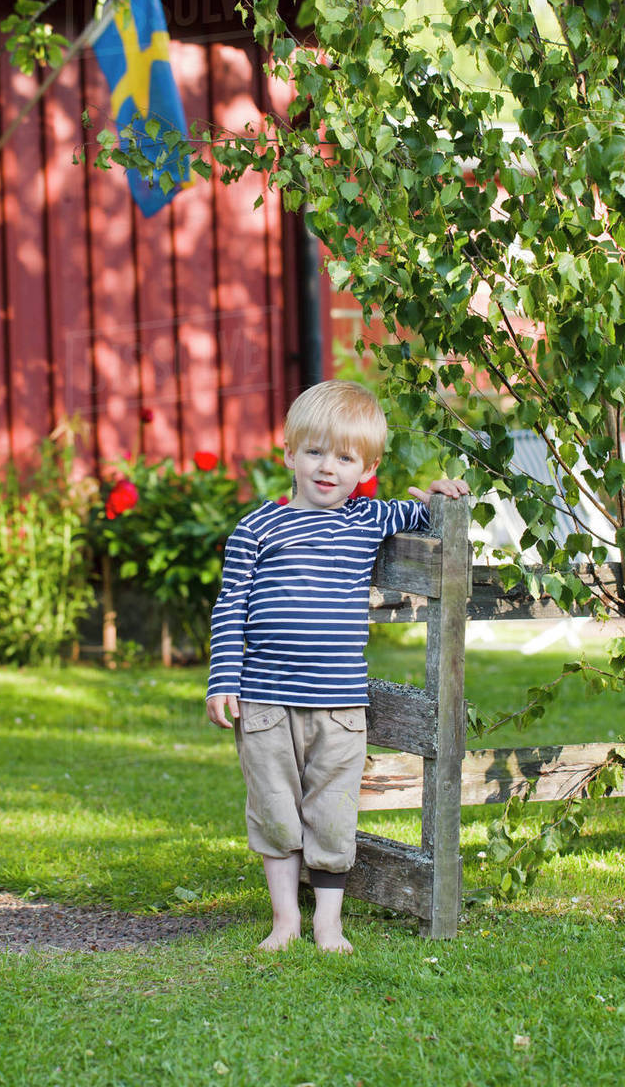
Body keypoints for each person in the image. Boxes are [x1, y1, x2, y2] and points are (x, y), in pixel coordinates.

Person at [206, 380, 469, 952]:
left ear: (366, 466)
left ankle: (328, 921)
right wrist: (223, 681)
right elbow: (230, 607)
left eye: (345, 457)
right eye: (315, 452)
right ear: (288, 454)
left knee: (331, 810)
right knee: (275, 809)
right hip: (265, 699)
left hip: (340, 704)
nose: (328, 468)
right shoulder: (256, 530)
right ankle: (285, 920)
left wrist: (438, 494)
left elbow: (426, 514)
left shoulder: (368, 519)